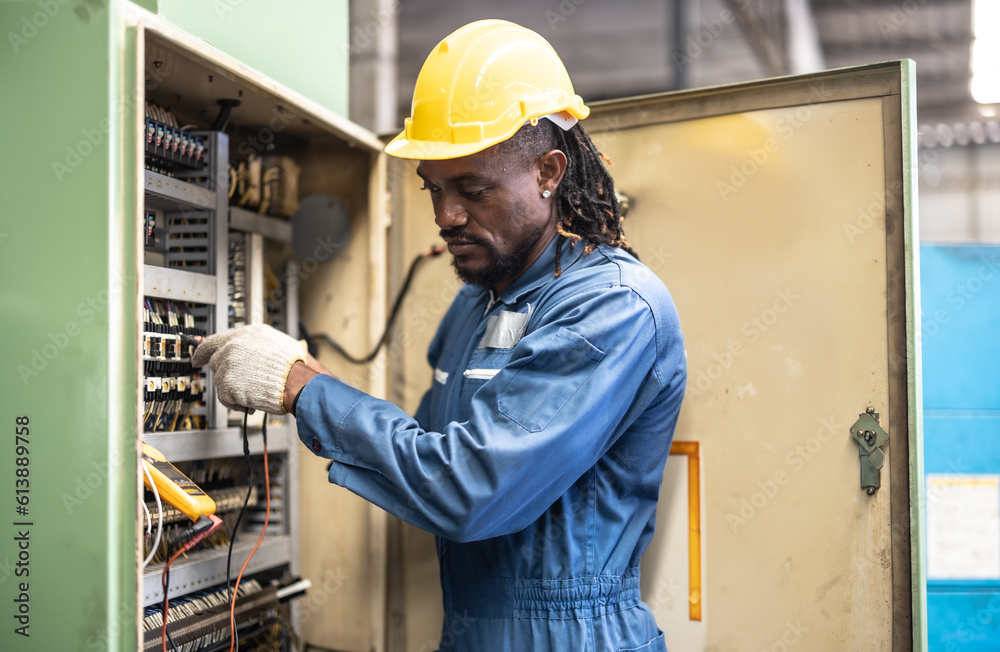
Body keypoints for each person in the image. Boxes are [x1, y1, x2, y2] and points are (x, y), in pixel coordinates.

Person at [193, 19, 686, 652]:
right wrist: (311, 386)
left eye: (473, 190)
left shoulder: (612, 308)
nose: (447, 215)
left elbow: (467, 490)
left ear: (549, 171)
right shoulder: (474, 306)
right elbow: (425, 460)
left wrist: (303, 387)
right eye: (434, 188)